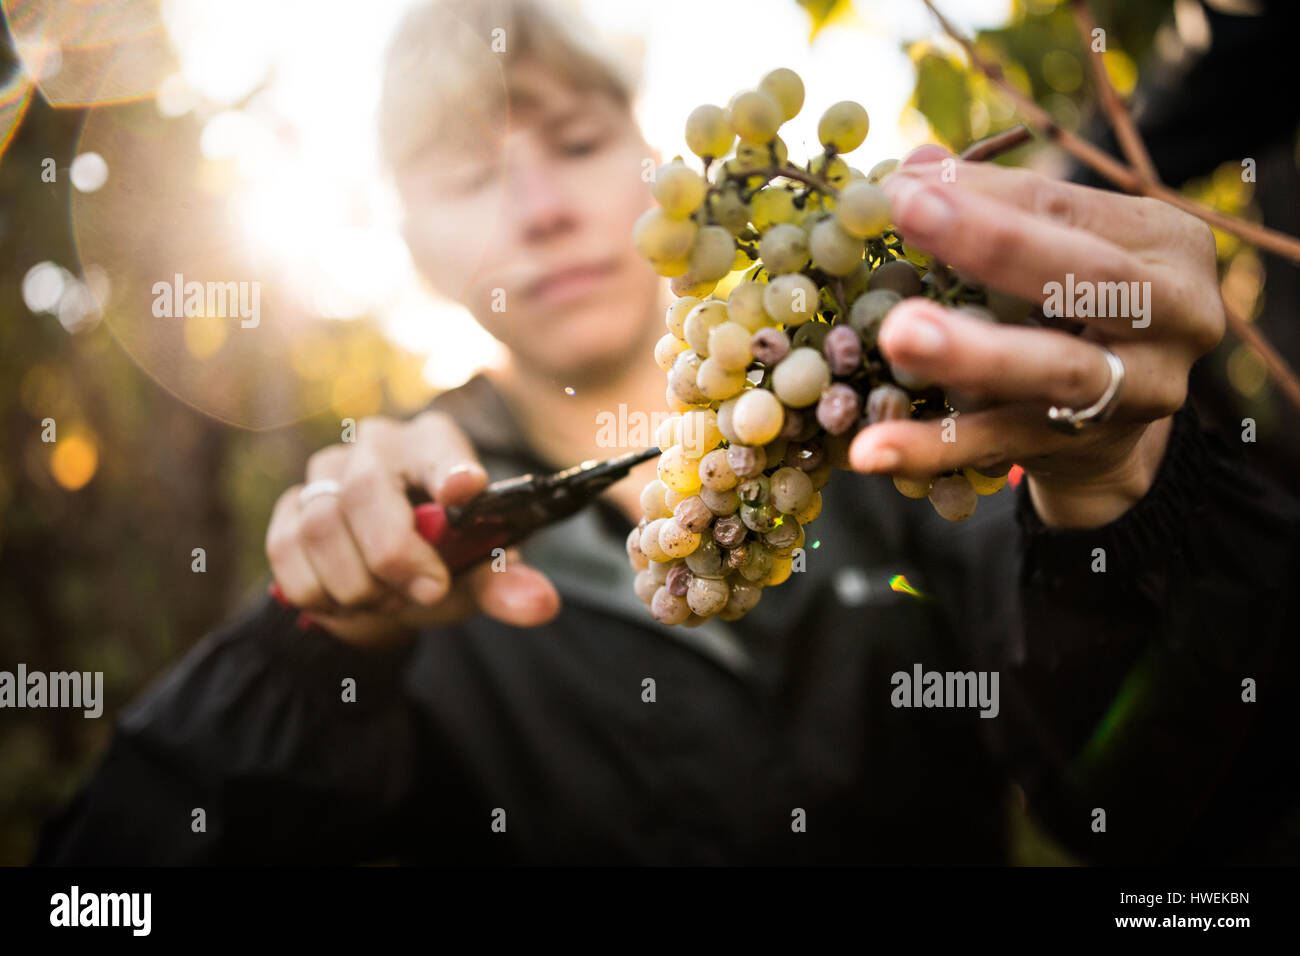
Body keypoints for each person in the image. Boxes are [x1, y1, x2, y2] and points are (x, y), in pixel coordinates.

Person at [34, 0, 1300, 865]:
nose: (537, 208)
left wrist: (1124, 500)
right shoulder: (395, 523)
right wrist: (314, 658)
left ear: (656, 166)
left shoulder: (896, 420)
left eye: (576, 144)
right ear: (407, 240)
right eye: (470, 176)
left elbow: (1160, 828)